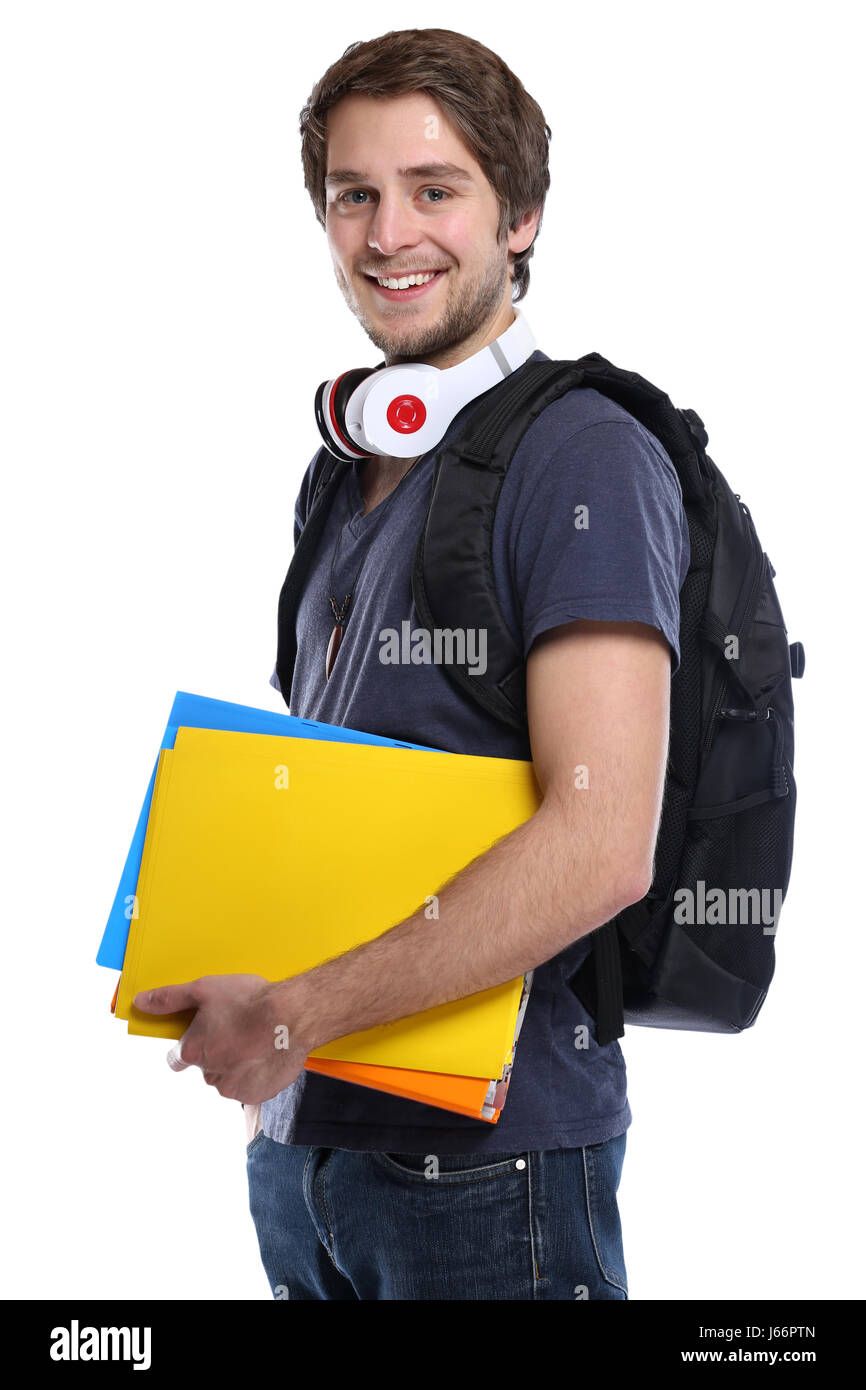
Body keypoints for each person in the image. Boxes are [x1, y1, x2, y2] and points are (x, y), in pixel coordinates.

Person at [135, 27, 690, 1301]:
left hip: (486, 1176)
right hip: (306, 1146)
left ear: (521, 217)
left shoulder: (583, 457)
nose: (389, 234)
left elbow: (601, 843)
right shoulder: (345, 467)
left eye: (434, 191)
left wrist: (291, 1014)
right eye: (354, 195)